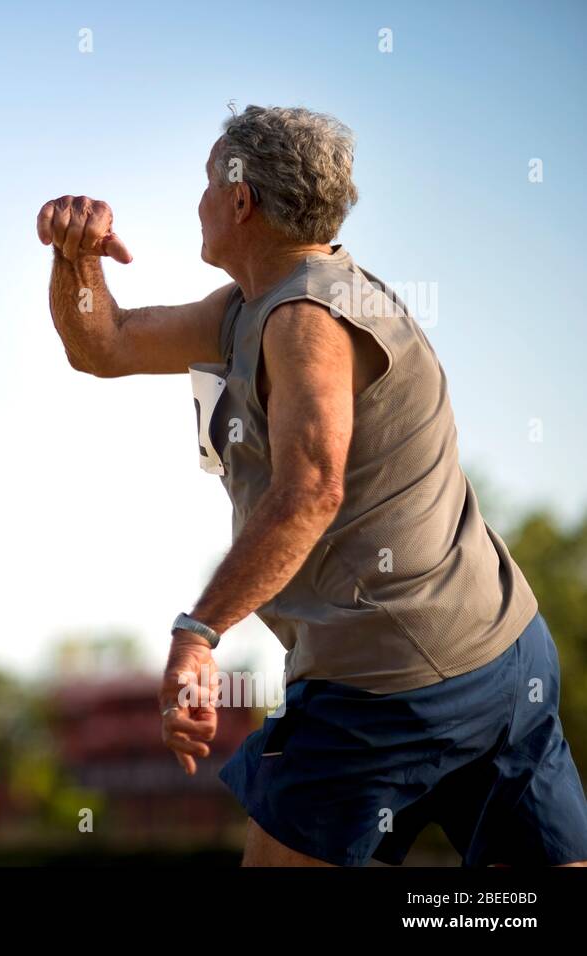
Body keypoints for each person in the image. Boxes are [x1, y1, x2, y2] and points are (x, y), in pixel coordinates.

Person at [36, 104, 587, 867]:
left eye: (206, 182)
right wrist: (75, 256)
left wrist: (197, 635)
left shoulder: (306, 318)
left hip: (386, 686)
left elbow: (310, 491)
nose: (196, 200)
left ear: (240, 200)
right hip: (506, 650)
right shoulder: (255, 307)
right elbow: (106, 344)